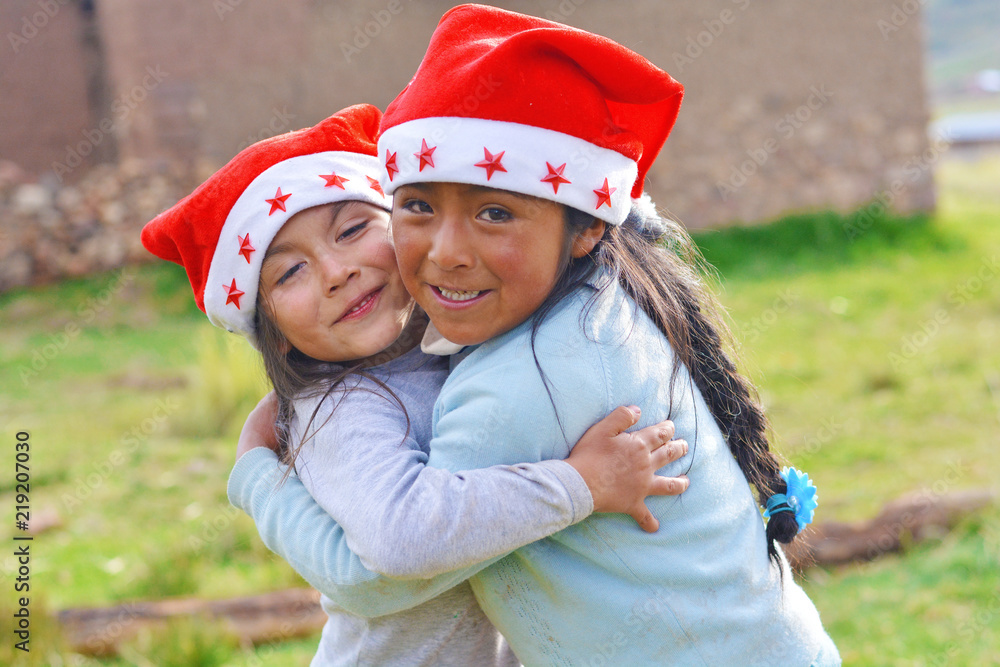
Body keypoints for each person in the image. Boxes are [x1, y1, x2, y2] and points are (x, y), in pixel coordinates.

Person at [237, 5, 842, 665]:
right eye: (418, 205)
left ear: (586, 226)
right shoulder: (600, 296)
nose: (446, 252)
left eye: (495, 212)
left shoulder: (522, 382)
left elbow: (384, 570)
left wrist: (257, 475)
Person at [140, 103, 690, 666]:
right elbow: (401, 537)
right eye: (290, 271)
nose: (337, 272)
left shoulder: (453, 341)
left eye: (352, 230)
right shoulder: (342, 408)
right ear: (274, 337)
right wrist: (583, 484)